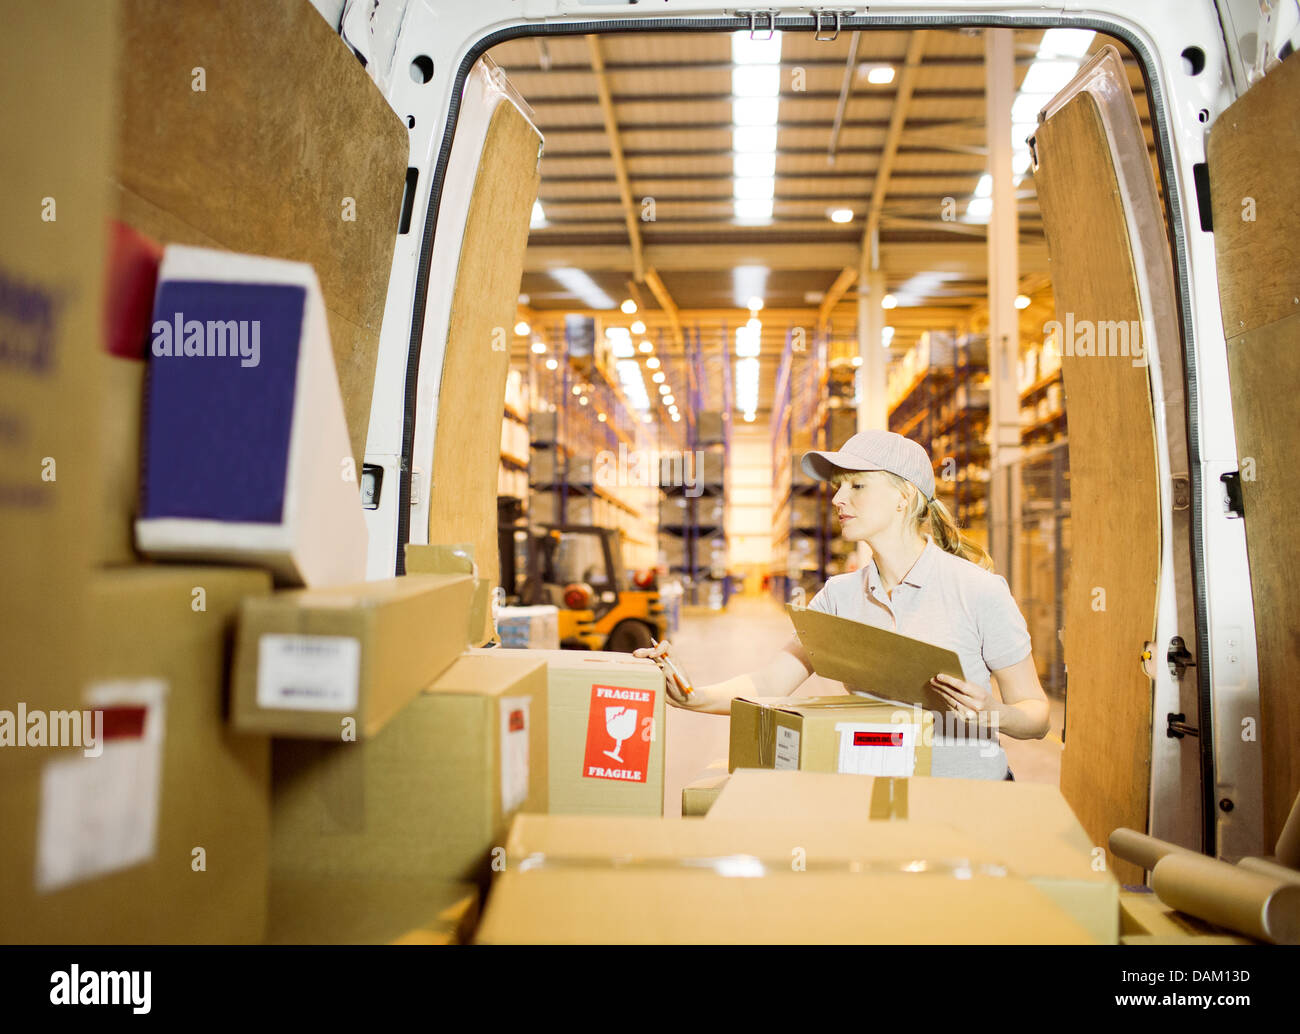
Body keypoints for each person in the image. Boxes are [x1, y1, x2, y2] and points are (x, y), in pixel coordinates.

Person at [635, 430, 1050, 776]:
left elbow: (1036, 714)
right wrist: (691, 695)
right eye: (838, 487)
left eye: (857, 485)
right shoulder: (839, 595)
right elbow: (769, 684)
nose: (837, 499)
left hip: (968, 803)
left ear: (904, 496)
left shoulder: (979, 590)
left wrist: (994, 712)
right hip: (880, 800)